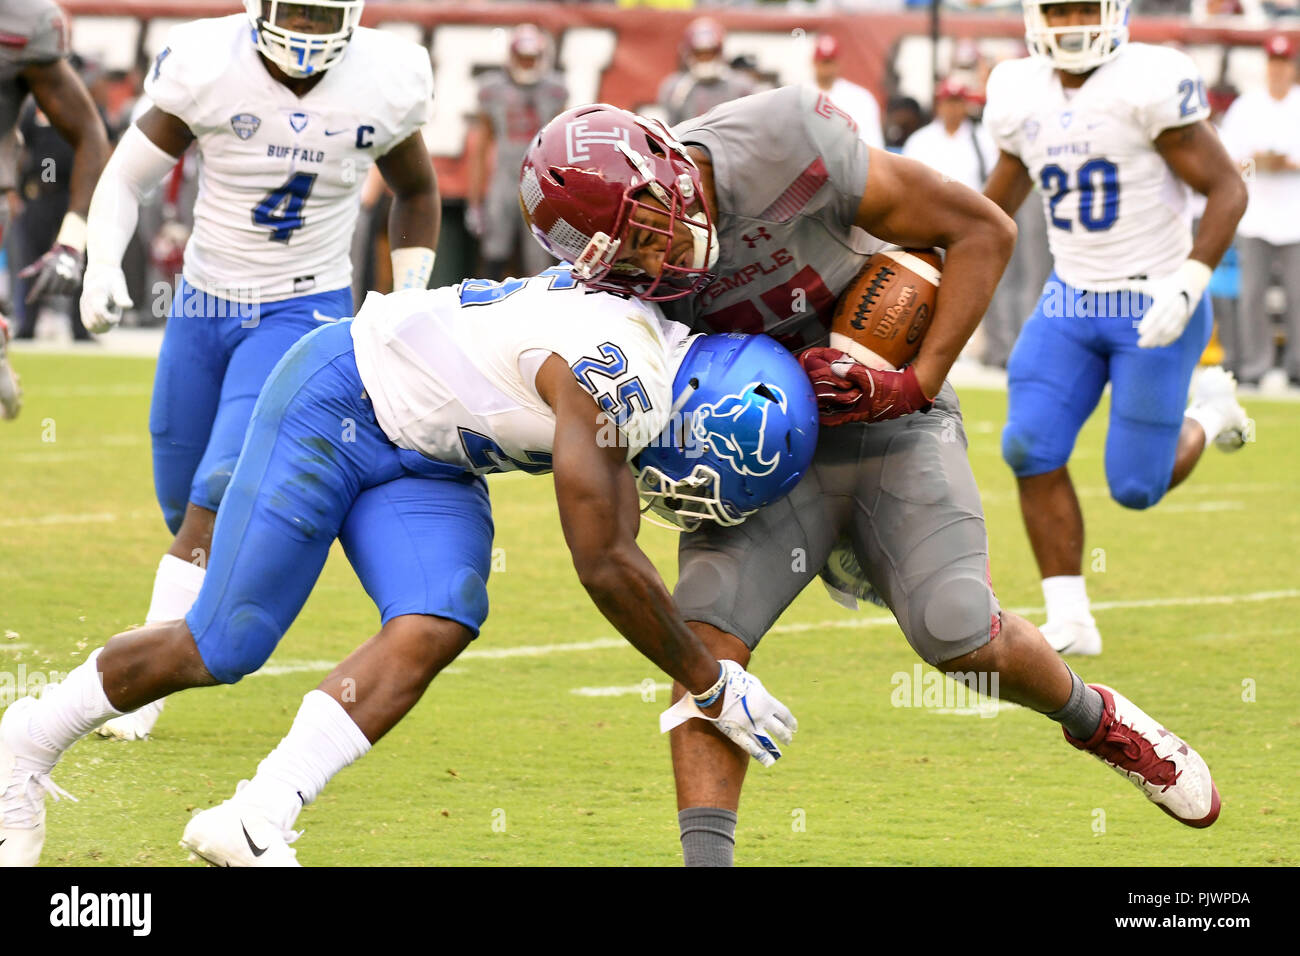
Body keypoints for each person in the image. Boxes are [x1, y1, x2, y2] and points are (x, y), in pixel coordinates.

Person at [520, 93, 1221, 867]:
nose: (648, 267)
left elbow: (983, 228)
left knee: (955, 628)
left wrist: (910, 384)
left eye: (644, 238)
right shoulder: (611, 286)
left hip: (886, 413)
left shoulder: (784, 143)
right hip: (749, 449)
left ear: (664, 175)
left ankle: (1099, 721)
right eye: (622, 263)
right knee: (704, 651)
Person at [0, 267, 817, 867]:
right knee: (222, 644)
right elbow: (605, 563)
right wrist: (712, 684)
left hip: (425, 452)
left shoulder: (659, 358)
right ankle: (23, 745)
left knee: (441, 611)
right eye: (705, 472)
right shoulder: (622, 383)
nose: (687, 490)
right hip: (339, 395)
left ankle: (256, 817)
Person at [77, 0, 441, 740]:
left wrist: (408, 296)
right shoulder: (210, 63)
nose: (306, 32)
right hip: (203, 305)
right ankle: (236, 584)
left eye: (321, 15)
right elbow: (124, 178)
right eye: (295, 13)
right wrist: (101, 263)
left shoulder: (385, 75)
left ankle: (139, 688)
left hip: (301, 309)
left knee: (216, 489)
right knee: (183, 498)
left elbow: (418, 190)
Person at [982, 0, 1250, 656]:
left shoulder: (1148, 83)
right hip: (1069, 302)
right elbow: (996, 204)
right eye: (1059, 9)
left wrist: (1190, 282)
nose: (1072, 23)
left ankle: (1212, 413)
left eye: (1083, 8)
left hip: (1156, 302)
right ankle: (1070, 616)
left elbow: (1227, 188)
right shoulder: (1018, 90)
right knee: (1027, 446)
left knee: (1136, 486)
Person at [0, 0, 111, 417]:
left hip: (50, 196)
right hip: (33, 194)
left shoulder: (25, 22)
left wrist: (72, 240)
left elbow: (91, 135)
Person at [1217, 34, 1300, 387]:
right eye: (1273, 63)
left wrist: (1288, 166)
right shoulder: (1246, 106)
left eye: (1284, 64)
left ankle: (1296, 368)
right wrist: (1259, 166)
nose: (1278, 70)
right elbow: (1229, 164)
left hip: (1295, 216)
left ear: (1292, 68)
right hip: (1256, 215)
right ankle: (1255, 367)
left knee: (1297, 297)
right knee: (1251, 296)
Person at [466, 23, 567, 281]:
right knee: (494, 249)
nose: (527, 64)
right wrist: (475, 200)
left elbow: (561, 144)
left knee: (540, 253)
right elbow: (482, 147)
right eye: (522, 57)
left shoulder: (555, 90)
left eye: (532, 58)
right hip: (504, 177)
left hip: (541, 179)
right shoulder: (492, 89)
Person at [656, 17, 752, 127]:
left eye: (710, 53)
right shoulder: (675, 89)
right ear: (689, 54)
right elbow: (671, 130)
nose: (705, 59)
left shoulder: (741, 86)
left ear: (719, 53)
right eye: (699, 54)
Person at [810, 34, 883, 149]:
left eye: (831, 62)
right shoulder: (800, 94)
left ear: (838, 63)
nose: (827, 69)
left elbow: (873, 142)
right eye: (824, 62)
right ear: (815, 63)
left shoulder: (860, 97)